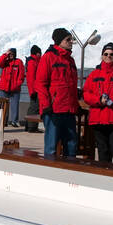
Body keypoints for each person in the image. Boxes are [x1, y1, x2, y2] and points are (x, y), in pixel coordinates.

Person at [35, 28, 79, 160]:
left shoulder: (70, 60)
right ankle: (49, 174)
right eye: (68, 39)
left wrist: (76, 104)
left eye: (71, 39)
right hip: (54, 110)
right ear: (59, 41)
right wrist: (46, 105)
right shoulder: (48, 57)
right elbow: (40, 83)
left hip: (69, 109)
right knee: (51, 147)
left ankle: (70, 175)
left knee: (71, 146)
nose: (71, 42)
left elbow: (71, 86)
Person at [0, 47, 26, 126]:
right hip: (4, 88)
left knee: (14, 106)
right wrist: (5, 55)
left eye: (12, 54)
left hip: (15, 89)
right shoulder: (5, 61)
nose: (11, 55)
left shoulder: (19, 62)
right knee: (3, 106)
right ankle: (3, 122)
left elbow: (21, 75)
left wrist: (17, 84)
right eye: (10, 54)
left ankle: (14, 121)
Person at [25, 45, 42, 130]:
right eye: (40, 53)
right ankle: (32, 127)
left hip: (35, 88)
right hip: (35, 89)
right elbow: (31, 78)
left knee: (33, 107)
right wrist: (32, 92)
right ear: (37, 53)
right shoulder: (33, 62)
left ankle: (29, 126)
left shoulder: (34, 61)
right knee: (34, 107)